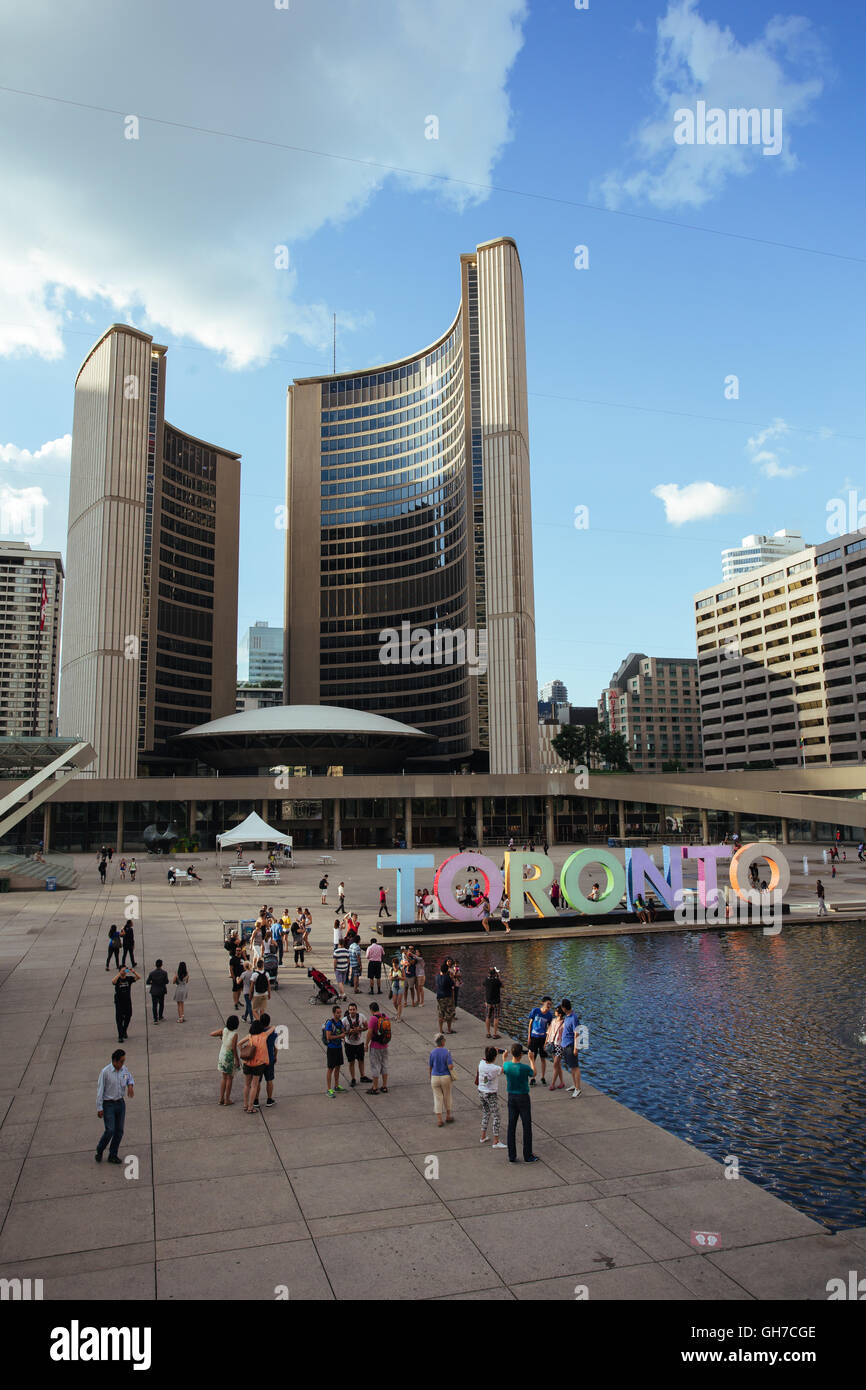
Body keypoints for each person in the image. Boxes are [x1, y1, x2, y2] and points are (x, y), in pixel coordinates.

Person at [95, 1049, 135, 1164]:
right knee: (110, 1130)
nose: (123, 1064)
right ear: (115, 1061)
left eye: (124, 1061)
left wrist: (130, 1086)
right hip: (109, 1105)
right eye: (121, 1061)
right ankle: (100, 1149)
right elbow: (100, 1090)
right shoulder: (105, 1072)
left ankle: (113, 1154)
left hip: (120, 1104)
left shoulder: (124, 1069)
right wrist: (99, 1108)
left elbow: (128, 1078)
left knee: (119, 1131)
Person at [503, 1043, 539, 1163]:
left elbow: (504, 1067)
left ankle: (511, 1155)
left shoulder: (507, 1065)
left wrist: (504, 1058)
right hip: (523, 1097)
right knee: (526, 1126)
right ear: (521, 1055)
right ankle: (527, 1155)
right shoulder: (524, 1068)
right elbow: (534, 1073)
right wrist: (532, 1060)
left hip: (511, 1097)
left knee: (511, 1126)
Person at [240, 1019, 275, 1112]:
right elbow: (273, 1028)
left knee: (247, 1085)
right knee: (254, 1085)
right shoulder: (263, 1035)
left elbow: (239, 1043)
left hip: (247, 1063)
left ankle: (245, 1104)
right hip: (258, 1064)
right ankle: (251, 1107)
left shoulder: (250, 1036)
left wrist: (243, 1050)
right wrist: (270, 1026)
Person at [476, 1046, 507, 1147]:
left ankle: (483, 1136)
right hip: (490, 1094)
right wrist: (504, 1058)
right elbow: (504, 1069)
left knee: (486, 1112)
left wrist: (493, 1050)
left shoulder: (481, 1063)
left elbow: (487, 1056)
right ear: (494, 1057)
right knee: (497, 1116)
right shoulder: (495, 1068)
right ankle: (496, 1141)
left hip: (481, 1091)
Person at [211, 1015, 239, 1104]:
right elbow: (234, 1048)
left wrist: (222, 1037)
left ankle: (221, 1098)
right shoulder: (235, 1034)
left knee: (224, 1078)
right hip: (229, 1057)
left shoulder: (224, 1030)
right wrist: (237, 1060)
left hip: (222, 1055)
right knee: (230, 1078)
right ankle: (227, 1099)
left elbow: (212, 1034)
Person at [429, 1033, 456, 1126]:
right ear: (443, 1042)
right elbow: (450, 1066)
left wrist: (430, 1077)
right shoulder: (447, 1052)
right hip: (445, 1077)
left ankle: (439, 1119)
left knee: (437, 1098)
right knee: (447, 1096)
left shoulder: (432, 1052)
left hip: (435, 1077)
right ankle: (448, 1116)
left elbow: (430, 1067)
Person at [527, 996, 553, 1086]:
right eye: (548, 1003)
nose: (549, 1005)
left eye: (550, 1004)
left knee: (543, 1058)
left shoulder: (549, 1015)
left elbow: (549, 1028)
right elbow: (530, 1024)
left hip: (543, 1038)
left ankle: (543, 1077)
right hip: (534, 1037)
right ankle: (533, 1078)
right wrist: (529, 1037)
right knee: (532, 1058)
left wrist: (548, 1040)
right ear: (543, 1003)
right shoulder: (535, 1011)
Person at [365, 1001, 391, 1094]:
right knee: (384, 1065)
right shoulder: (385, 1017)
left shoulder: (373, 1018)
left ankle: (375, 1087)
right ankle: (384, 1086)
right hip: (385, 1045)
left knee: (375, 1065)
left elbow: (369, 1032)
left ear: (371, 1010)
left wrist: (366, 1044)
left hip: (375, 1046)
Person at [343, 1001, 371, 1086]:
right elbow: (342, 1032)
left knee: (361, 1060)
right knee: (351, 1062)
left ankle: (362, 1076)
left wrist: (360, 1029)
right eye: (350, 1010)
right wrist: (349, 1031)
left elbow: (367, 1027)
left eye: (354, 1009)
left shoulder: (361, 1017)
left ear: (356, 1010)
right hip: (349, 1044)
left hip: (359, 1043)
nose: (352, 1011)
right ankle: (353, 1078)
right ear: (348, 1011)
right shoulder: (344, 1020)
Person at [560, 998, 582, 1098]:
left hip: (571, 1045)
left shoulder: (574, 1018)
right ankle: (574, 1085)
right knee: (571, 1066)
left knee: (575, 1067)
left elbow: (576, 1033)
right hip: (565, 1044)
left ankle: (578, 1089)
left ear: (564, 1008)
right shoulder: (567, 1017)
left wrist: (576, 1048)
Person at [112, 965, 139, 1042]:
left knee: (128, 1016)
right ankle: (120, 1036)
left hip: (127, 1001)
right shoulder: (118, 979)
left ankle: (124, 1030)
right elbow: (113, 981)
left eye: (125, 971)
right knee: (119, 1019)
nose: (124, 972)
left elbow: (138, 977)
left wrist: (133, 971)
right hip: (119, 1002)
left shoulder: (128, 979)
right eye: (123, 970)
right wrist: (119, 974)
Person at [324, 1004, 346, 1097]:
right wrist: (340, 1036)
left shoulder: (340, 1022)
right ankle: (329, 1089)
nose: (339, 1014)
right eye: (337, 1013)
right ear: (333, 1013)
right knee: (330, 1069)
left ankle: (336, 1086)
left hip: (338, 1048)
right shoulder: (329, 1023)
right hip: (332, 1048)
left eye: (340, 1012)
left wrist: (344, 1034)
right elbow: (328, 1037)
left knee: (338, 1067)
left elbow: (343, 1031)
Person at [260, 1012, 279, 1106]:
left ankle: (255, 1100)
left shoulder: (258, 1031)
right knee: (269, 1080)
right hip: (269, 1059)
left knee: (257, 1081)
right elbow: (276, 1046)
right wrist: (275, 1056)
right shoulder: (273, 1033)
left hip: (259, 1059)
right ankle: (269, 1099)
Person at [546, 1006, 566, 1089]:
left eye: (556, 1011)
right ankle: (562, 1082)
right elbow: (549, 1032)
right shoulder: (553, 1021)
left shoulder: (564, 1023)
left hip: (559, 1045)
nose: (555, 1012)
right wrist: (546, 1042)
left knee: (555, 1064)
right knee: (558, 1065)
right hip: (552, 1044)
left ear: (560, 1014)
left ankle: (553, 1084)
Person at [435, 959, 456, 1034]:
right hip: (447, 997)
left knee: (441, 1014)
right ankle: (449, 1029)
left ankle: (440, 1030)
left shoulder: (437, 977)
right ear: (447, 970)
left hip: (439, 996)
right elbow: (453, 985)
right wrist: (452, 977)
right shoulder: (447, 978)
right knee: (448, 1014)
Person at [145, 959, 169, 1023]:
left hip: (154, 991)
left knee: (154, 1005)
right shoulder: (164, 973)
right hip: (161, 990)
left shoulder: (152, 973)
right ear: (161, 965)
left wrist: (153, 983)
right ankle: (160, 1016)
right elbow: (167, 981)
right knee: (161, 1004)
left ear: (155, 965)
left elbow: (147, 982)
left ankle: (155, 1019)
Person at [484, 965, 502, 1039]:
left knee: (488, 1017)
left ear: (489, 974)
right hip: (496, 1002)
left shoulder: (486, 980)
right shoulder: (497, 981)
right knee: (496, 1017)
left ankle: (488, 1033)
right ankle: (495, 1034)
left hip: (488, 1001)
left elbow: (484, 984)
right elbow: (502, 985)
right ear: (495, 974)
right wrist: (498, 977)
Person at [229, 946, 245, 1011]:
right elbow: (231, 968)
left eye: (239, 950)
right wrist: (233, 976)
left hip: (242, 977)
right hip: (236, 977)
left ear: (241, 951)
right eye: (237, 950)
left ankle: (237, 1001)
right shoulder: (233, 959)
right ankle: (235, 1003)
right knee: (235, 990)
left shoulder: (242, 959)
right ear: (235, 951)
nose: (238, 951)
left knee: (240, 989)